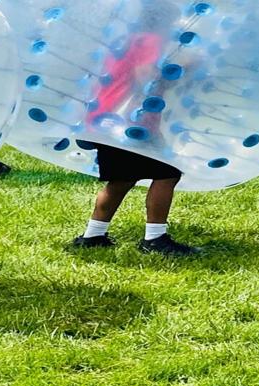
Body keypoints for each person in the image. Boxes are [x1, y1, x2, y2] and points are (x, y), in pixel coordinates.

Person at [70, 8, 200, 254]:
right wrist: (180, 70)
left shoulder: (127, 40)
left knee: (122, 178)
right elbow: (145, 76)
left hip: (105, 118)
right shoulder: (151, 42)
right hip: (129, 120)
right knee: (167, 172)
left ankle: (93, 236)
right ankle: (155, 239)